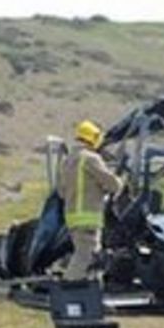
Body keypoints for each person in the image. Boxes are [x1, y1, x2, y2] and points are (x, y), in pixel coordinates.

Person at [57, 120, 122, 280]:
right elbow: (113, 185)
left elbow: (61, 191)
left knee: (92, 258)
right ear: (94, 138)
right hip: (88, 217)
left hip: (73, 217)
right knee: (85, 257)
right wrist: (121, 180)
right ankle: (67, 291)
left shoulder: (68, 161)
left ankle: (90, 295)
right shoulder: (90, 159)